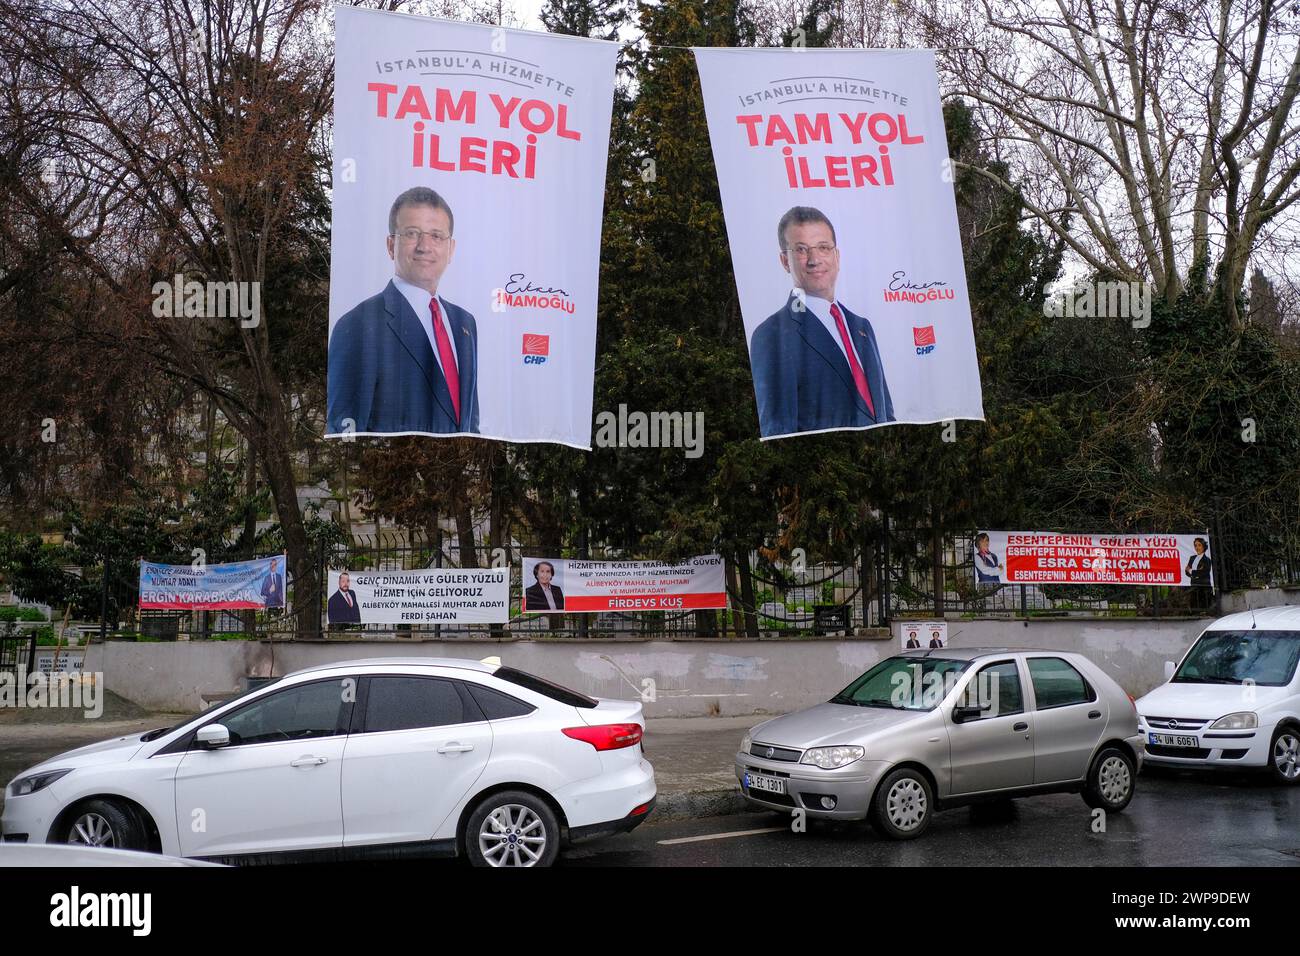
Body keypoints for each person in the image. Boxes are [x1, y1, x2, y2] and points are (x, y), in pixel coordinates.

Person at [327, 186, 479, 435]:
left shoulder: (465, 324)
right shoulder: (357, 326)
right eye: (412, 233)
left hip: (458, 471)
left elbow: (469, 422)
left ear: (451, 249)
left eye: (436, 236)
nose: (424, 246)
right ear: (390, 245)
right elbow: (345, 435)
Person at [749, 206, 894, 438]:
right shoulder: (772, 335)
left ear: (836, 256)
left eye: (823, 248)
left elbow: (885, 413)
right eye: (801, 250)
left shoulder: (861, 327)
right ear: (785, 261)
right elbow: (779, 434)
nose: (814, 260)